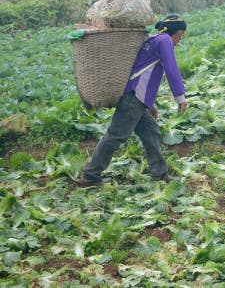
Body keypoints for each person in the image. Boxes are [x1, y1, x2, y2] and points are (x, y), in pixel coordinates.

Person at [79, 15, 189, 186]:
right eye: (181, 35)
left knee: (151, 132)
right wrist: (180, 97)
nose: (180, 39)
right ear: (176, 32)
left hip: (136, 97)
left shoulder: (153, 39)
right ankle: (91, 174)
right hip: (133, 99)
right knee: (115, 136)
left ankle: (160, 174)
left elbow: (142, 73)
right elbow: (171, 68)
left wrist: (150, 104)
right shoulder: (165, 40)